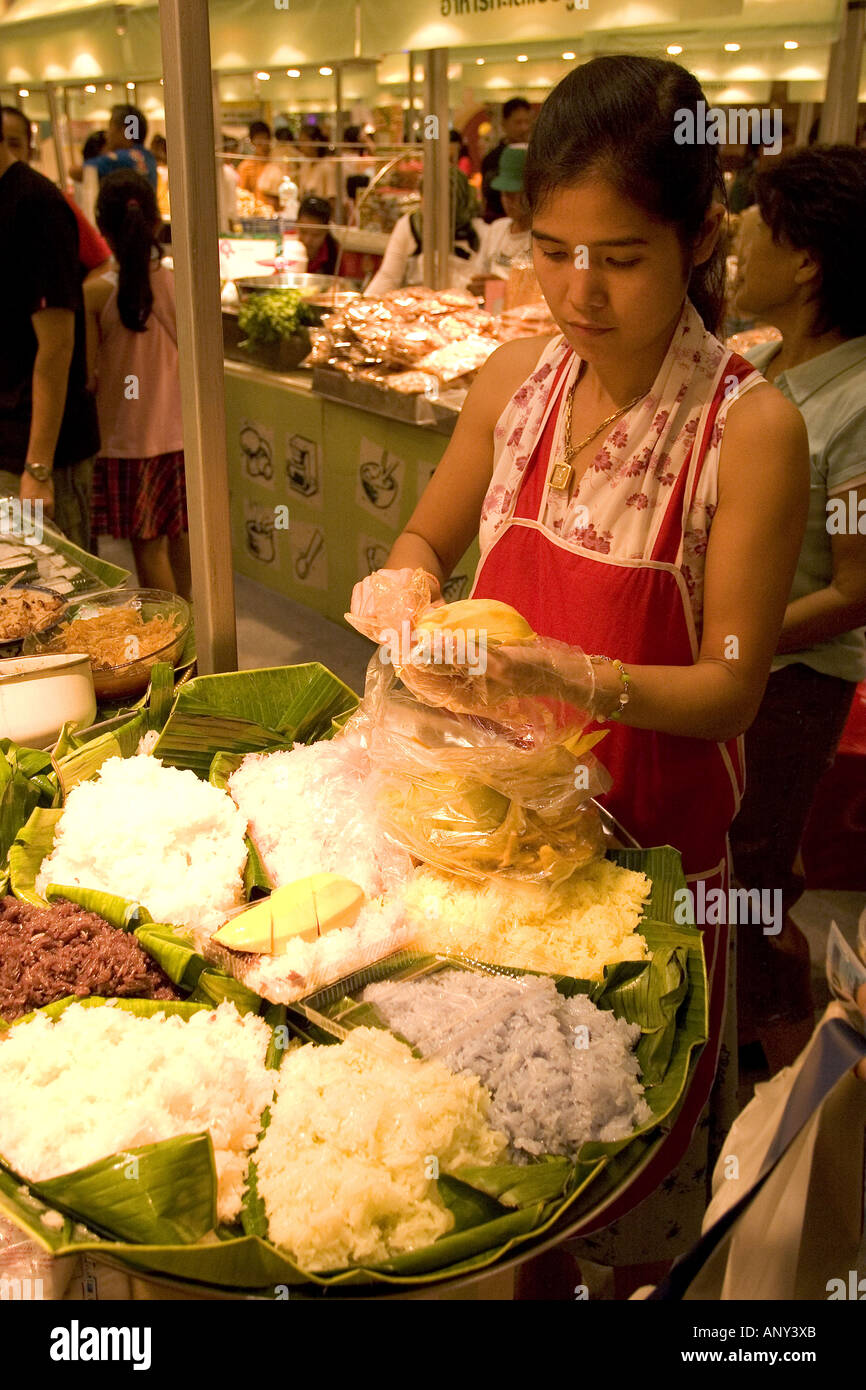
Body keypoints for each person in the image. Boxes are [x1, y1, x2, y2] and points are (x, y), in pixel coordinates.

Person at [351, 54, 809, 1290]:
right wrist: (400, 582)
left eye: (620, 257)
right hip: (501, 857)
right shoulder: (512, 382)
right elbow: (424, 534)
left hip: (648, 888)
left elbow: (726, 691)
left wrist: (569, 671)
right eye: (550, 249)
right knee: (508, 1184)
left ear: (701, 233)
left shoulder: (745, 431)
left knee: (626, 1202)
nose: (577, 291)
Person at [730, 145, 866, 1070]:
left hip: (794, 681)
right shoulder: (770, 361)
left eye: (748, 245)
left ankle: (777, 1055)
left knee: (751, 873)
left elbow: (859, 587)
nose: (736, 265)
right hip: (749, 666)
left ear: (807, 260)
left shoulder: (857, 403)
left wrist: (729, 647)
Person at [84, 171, 190, 599]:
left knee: (149, 552)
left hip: (128, 443)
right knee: (182, 543)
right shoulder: (178, 284)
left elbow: (89, 376)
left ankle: (173, 643)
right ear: (153, 220)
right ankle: (198, 637)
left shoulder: (94, 293)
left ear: (103, 228)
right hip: (180, 439)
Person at [0, 118, 99, 547]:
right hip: (7, 440)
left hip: (38, 450)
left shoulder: (35, 203)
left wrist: (38, 469)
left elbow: (57, 345)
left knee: (59, 592)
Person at [1, 106, 111, 282]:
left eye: (14, 144)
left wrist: (82, 298)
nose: (5, 152)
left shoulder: (45, 198)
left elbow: (101, 259)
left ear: (29, 151)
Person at [364, 167, 484, 296]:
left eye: (441, 199)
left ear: (459, 200)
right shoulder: (409, 225)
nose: (433, 208)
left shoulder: (479, 230)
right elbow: (388, 276)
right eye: (426, 196)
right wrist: (366, 304)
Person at [468, 144, 531, 294]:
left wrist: (504, 288)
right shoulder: (497, 229)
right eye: (505, 194)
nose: (509, 201)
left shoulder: (544, 240)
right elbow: (476, 274)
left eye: (516, 194)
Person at [481, 97, 533, 222]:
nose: (524, 128)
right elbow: (489, 196)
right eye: (518, 122)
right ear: (504, 124)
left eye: (527, 122)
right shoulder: (492, 159)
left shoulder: (536, 155)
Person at [86, 104, 157, 190]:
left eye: (110, 126)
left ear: (124, 131)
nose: (106, 135)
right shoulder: (149, 156)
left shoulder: (120, 158)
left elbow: (79, 171)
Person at [296, 195, 340, 275]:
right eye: (303, 232)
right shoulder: (285, 246)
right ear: (296, 225)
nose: (307, 240)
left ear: (326, 232)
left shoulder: (335, 254)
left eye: (316, 235)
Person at [297, 124, 337, 208]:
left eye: (304, 142)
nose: (301, 146)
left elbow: (332, 200)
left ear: (315, 142)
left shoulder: (327, 167)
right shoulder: (305, 165)